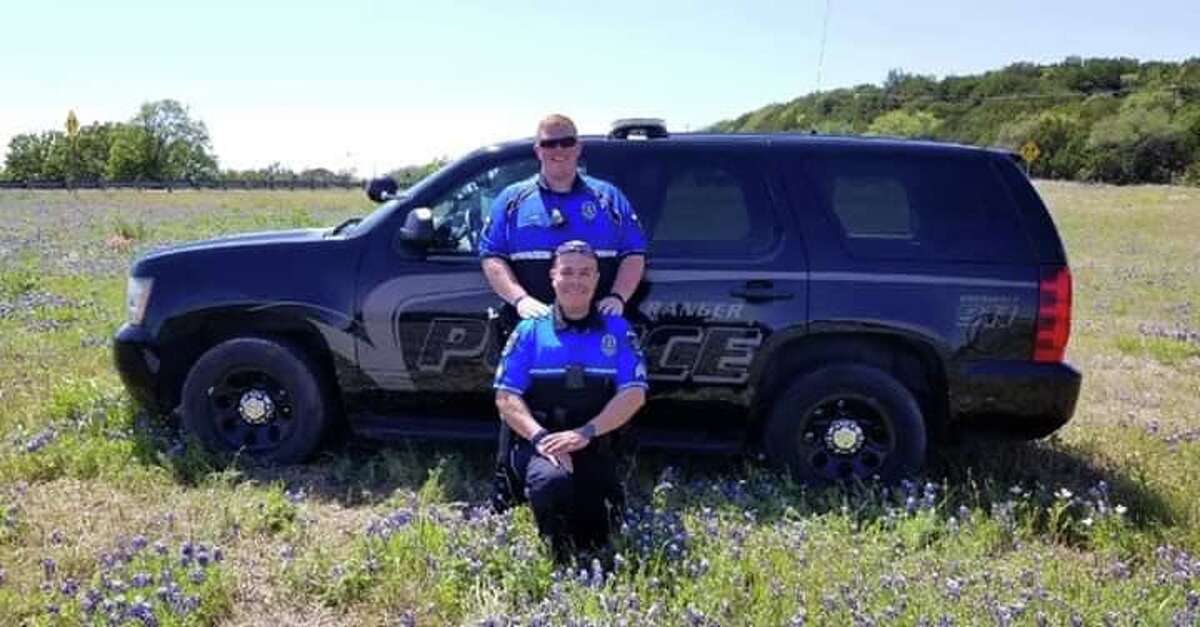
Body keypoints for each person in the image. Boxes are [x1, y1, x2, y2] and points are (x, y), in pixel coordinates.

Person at [493, 240, 648, 559]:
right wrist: (543, 440)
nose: (576, 280)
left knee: (598, 529)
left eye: (585, 272)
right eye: (567, 272)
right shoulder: (530, 330)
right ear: (553, 277)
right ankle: (556, 554)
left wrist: (585, 434)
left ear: (596, 278)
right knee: (551, 483)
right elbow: (506, 397)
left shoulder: (618, 330)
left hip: (594, 439)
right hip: (542, 441)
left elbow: (633, 395)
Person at [479, 114, 646, 320]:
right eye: (549, 144)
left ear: (578, 147)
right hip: (532, 328)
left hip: (599, 329)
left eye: (567, 142)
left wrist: (618, 297)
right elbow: (492, 256)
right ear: (538, 151)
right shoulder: (511, 200)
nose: (559, 150)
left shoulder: (609, 197)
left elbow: (634, 253)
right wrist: (520, 300)